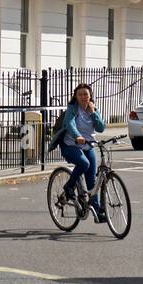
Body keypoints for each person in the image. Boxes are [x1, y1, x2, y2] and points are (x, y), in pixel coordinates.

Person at [51, 84, 108, 223]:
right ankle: (69, 186)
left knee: (92, 180)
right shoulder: (72, 109)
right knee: (84, 163)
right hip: (70, 145)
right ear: (76, 96)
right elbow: (70, 124)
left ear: (90, 96)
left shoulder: (93, 109)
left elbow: (101, 128)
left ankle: (97, 211)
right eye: (80, 94)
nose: (83, 97)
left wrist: (93, 112)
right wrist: (77, 136)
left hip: (88, 146)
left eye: (86, 94)